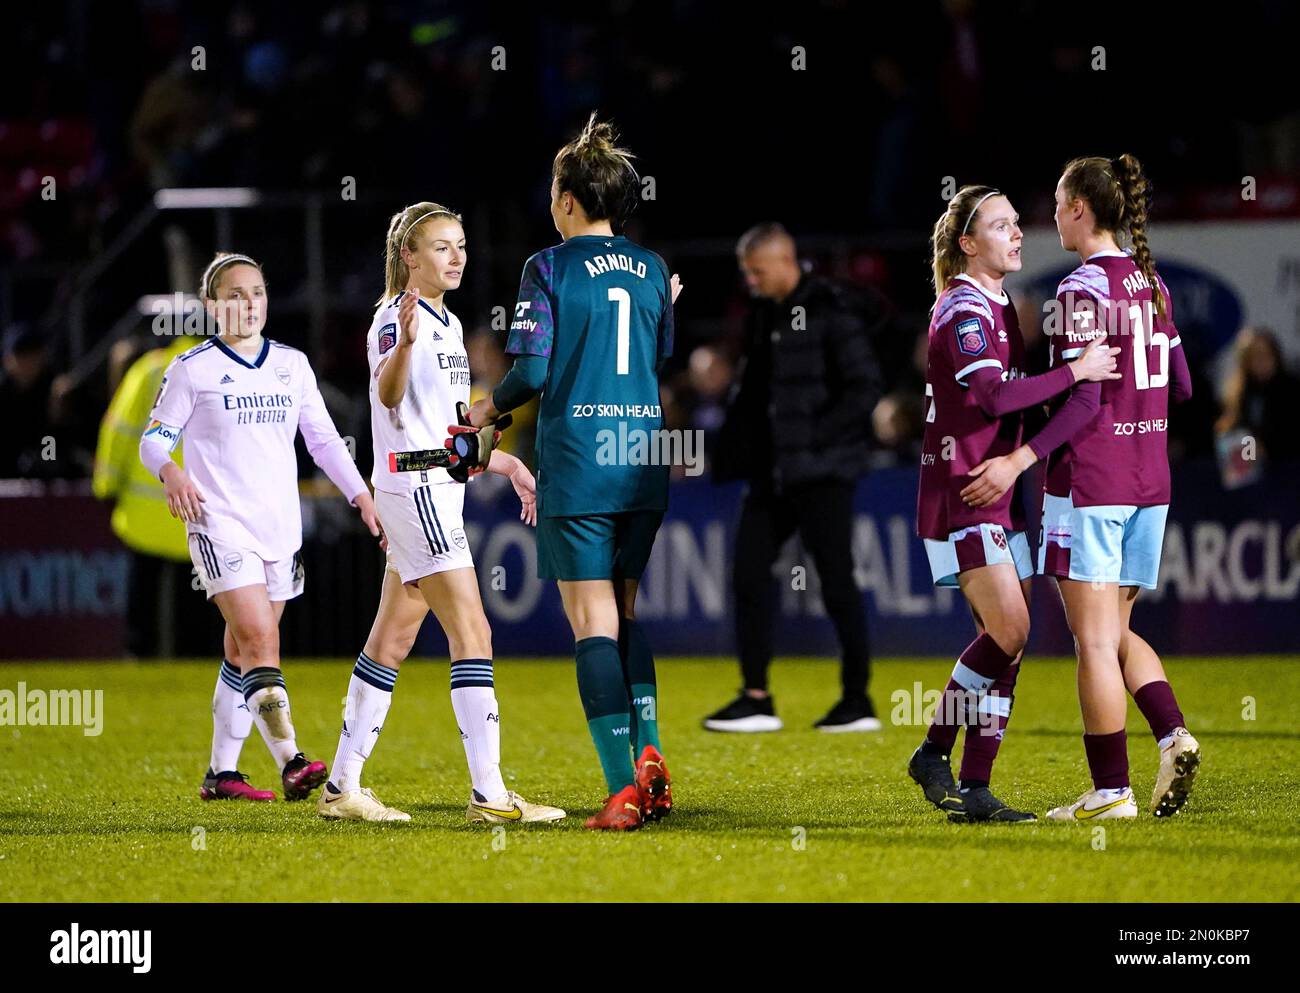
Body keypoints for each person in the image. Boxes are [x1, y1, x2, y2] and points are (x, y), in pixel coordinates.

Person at [959, 156, 1200, 821]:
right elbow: (1182, 385)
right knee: (1116, 631)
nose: (1051, 217)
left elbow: (1085, 401)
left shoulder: (1079, 289)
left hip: (1092, 483)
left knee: (1091, 641)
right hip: (1151, 480)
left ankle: (1111, 791)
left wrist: (1021, 458)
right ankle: (1173, 735)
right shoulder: (1152, 281)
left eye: (1058, 204)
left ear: (1080, 210)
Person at [467, 115, 681, 831]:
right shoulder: (653, 269)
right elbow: (656, 356)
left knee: (592, 621)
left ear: (566, 199)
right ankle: (650, 748)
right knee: (625, 612)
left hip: (582, 460)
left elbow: (531, 372)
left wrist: (485, 409)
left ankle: (623, 788)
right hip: (642, 459)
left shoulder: (549, 267)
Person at [318, 202, 564, 825]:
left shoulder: (448, 323)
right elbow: (389, 393)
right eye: (441, 247)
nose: (457, 257)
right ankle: (490, 795)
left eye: (460, 245)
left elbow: (450, 432)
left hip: (434, 482)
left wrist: (506, 464)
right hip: (417, 489)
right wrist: (403, 344)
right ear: (409, 256)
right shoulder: (394, 319)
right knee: (473, 632)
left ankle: (341, 786)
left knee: (392, 639)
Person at [907, 186, 1120, 823]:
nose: (1018, 233)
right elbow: (995, 397)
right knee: (1011, 630)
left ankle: (975, 785)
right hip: (966, 488)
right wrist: (1078, 372)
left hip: (1002, 491)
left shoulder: (1000, 304)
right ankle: (932, 750)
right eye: (1001, 226)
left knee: (1005, 646)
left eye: (1016, 223)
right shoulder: (963, 308)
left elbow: (1016, 398)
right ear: (968, 243)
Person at [140, 251, 380, 802]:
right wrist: (172, 472)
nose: (249, 304)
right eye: (235, 295)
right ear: (212, 306)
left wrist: (360, 494)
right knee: (259, 639)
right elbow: (154, 440)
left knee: (241, 650)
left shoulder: (291, 365)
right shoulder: (192, 369)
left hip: (279, 529)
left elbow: (322, 440)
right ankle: (291, 760)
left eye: (257, 292)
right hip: (219, 524)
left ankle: (220, 774)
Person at [703, 223, 884, 733]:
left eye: (757, 271)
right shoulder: (765, 314)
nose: (750, 281)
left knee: (836, 580)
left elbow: (866, 386)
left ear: (786, 261)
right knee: (747, 572)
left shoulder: (829, 309)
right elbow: (756, 394)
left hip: (823, 471)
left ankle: (857, 701)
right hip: (774, 472)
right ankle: (756, 698)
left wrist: (817, 438)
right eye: (746, 272)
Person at [94, 333, 212, 658]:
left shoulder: (148, 370)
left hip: (145, 509)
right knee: (195, 598)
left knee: (143, 590)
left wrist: (106, 486)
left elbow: (118, 429)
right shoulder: (222, 371)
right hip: (198, 512)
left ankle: (138, 654)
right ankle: (193, 658)